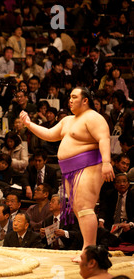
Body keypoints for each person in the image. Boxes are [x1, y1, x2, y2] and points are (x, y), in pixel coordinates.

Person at [20, 87, 115, 262]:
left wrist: (107, 162)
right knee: (79, 209)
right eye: (70, 97)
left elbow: (104, 138)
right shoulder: (68, 121)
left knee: (85, 207)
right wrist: (29, 123)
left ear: (85, 100)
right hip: (70, 170)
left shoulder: (93, 117)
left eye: (74, 97)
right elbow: (49, 135)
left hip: (90, 165)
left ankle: (89, 250)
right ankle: (87, 247)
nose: (70, 100)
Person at [98, 173, 134, 244]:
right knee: (99, 231)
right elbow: (103, 210)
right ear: (115, 185)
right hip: (112, 225)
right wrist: (101, 222)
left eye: (124, 181)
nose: (122, 184)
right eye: (119, 182)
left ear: (128, 184)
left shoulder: (133, 195)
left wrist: (130, 224)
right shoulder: (109, 194)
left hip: (127, 225)